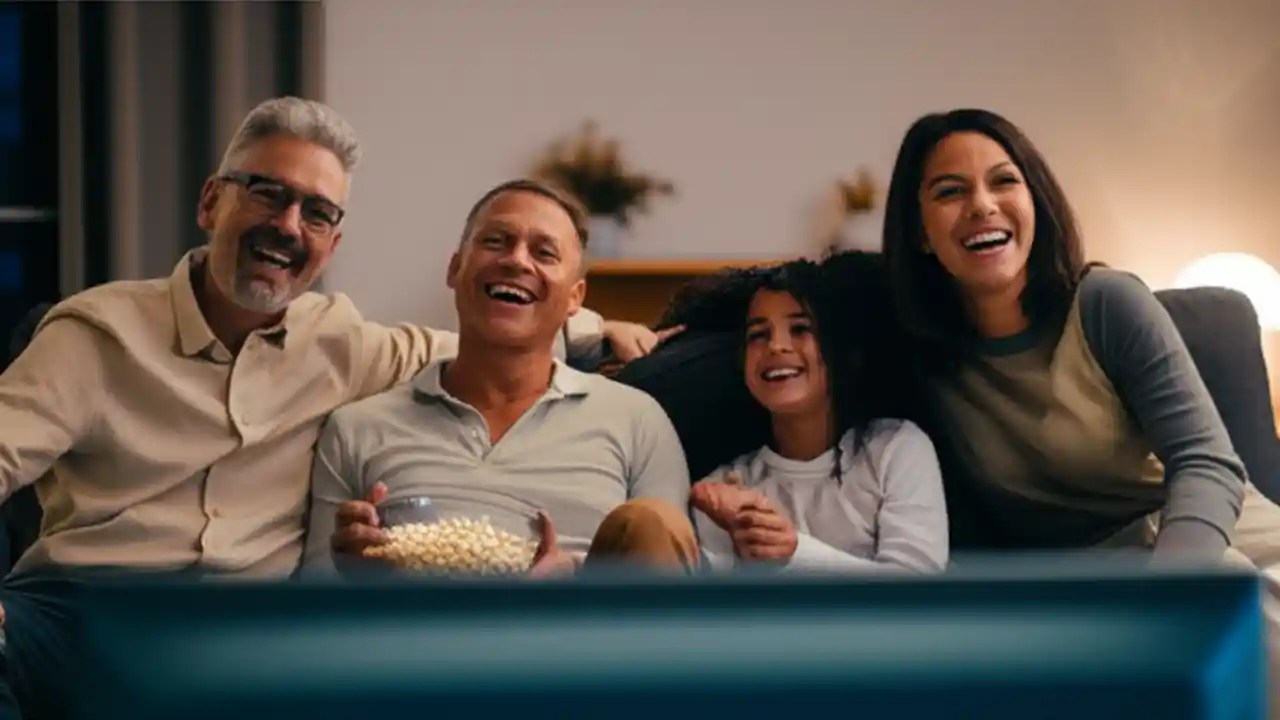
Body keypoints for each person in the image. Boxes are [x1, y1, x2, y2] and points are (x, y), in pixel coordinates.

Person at [0, 96, 662, 718]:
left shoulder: (343, 345)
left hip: (247, 636)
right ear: (211, 201)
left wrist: (595, 328)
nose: (288, 225)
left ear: (332, 244)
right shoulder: (96, 334)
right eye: (268, 193)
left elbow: (486, 343)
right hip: (82, 616)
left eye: (317, 213)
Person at [879, 107, 1280, 712]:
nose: (982, 205)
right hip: (1100, 571)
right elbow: (798, 301)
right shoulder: (919, 354)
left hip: (1204, 533)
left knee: (1231, 606)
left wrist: (1168, 589)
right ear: (917, 232)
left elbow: (1207, 461)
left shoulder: (1105, 302)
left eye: (1003, 181)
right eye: (949, 191)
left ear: (1035, 202)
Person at [304, 179, 696, 578]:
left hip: (583, 618)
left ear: (575, 298)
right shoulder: (357, 429)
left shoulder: (636, 420)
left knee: (650, 520)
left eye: (544, 253)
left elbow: (681, 593)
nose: (517, 261)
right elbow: (313, 599)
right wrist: (359, 579)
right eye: (495, 242)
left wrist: (572, 584)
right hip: (412, 617)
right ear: (455, 268)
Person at [661, 260, 946, 573]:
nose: (776, 346)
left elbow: (918, 587)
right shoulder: (724, 490)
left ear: (844, 349)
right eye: (758, 334)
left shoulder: (896, 448)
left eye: (800, 329)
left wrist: (795, 553)